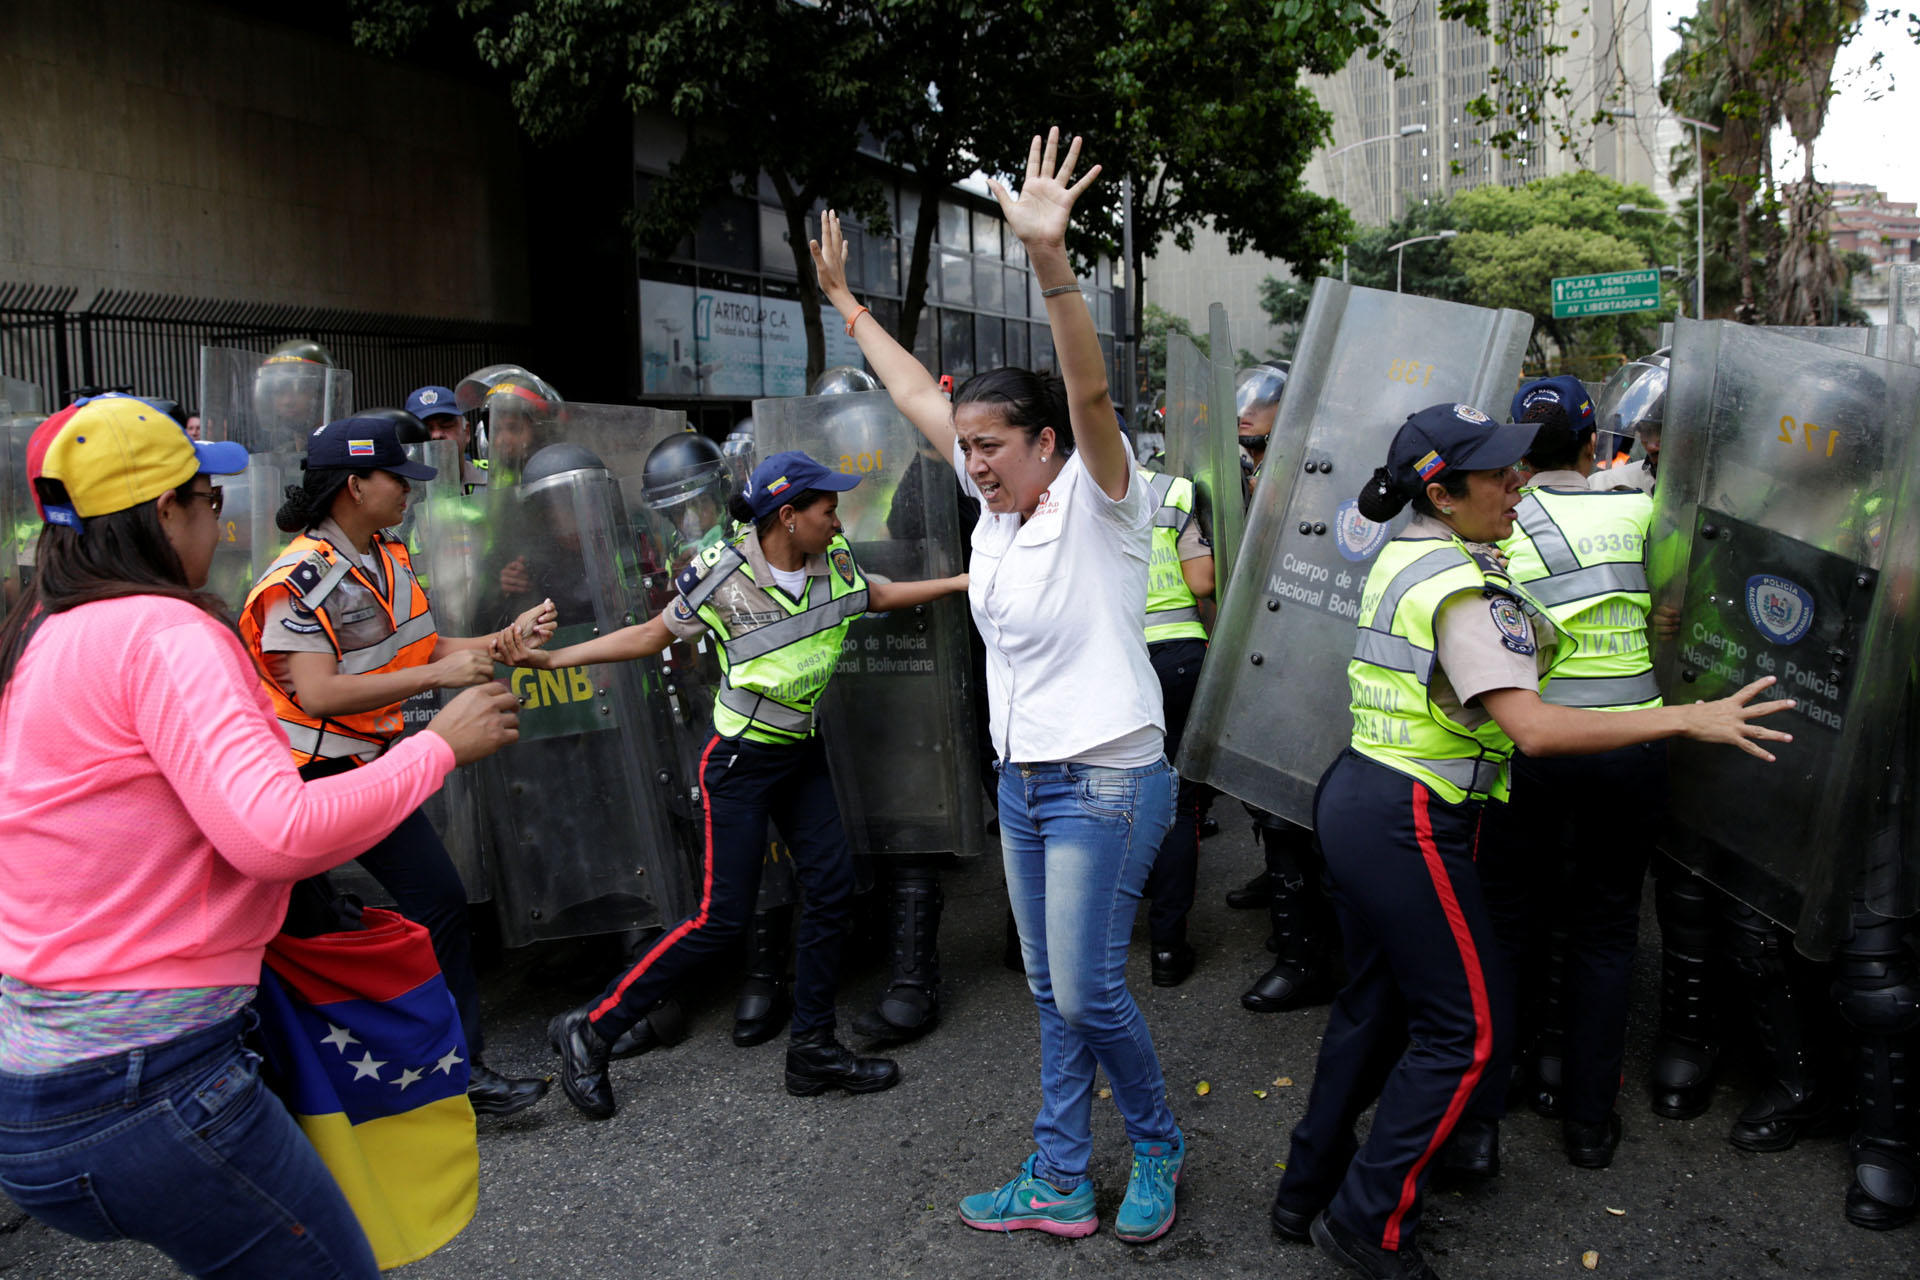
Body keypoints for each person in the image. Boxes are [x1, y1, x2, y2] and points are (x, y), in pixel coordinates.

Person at [1269, 401, 1795, 1280]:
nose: (1517, 484)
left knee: (1378, 1005)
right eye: (1497, 474)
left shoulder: (1416, 550)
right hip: (1412, 817)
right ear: (1443, 492)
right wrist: (1688, 718)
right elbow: (1538, 731)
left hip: (1364, 795)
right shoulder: (1462, 590)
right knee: (1468, 1031)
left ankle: (1305, 1192)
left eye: (1516, 467)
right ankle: (1368, 1222)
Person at [0, 394, 519, 1278]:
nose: (219, 517)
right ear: (165, 511)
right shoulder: (166, 630)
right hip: (155, 1082)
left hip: (36, 1088)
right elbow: (275, 834)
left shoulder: (40, 634)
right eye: (208, 498)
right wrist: (437, 747)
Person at [814, 128, 1185, 1245]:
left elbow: (1091, 389)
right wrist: (848, 306)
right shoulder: (993, 508)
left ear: (1046, 443)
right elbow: (915, 393)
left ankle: (1158, 1142)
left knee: (1087, 990)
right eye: (966, 445)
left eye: (992, 445)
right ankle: (1060, 1175)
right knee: (1050, 989)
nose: (972, 461)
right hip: (1023, 783)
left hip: (1108, 779)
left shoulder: (1103, 498)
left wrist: (1047, 257)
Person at [526, 449, 968, 1118]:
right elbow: (648, 637)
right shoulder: (721, 576)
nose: (837, 520)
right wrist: (554, 658)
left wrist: (962, 582)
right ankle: (592, 1028)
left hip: (801, 751)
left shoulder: (833, 559)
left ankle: (812, 1049)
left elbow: (874, 595)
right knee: (719, 918)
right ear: (787, 517)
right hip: (740, 760)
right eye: (827, 510)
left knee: (832, 891)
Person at [237, 408, 556, 1118]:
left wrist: (502, 640)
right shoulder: (297, 580)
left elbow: (424, 647)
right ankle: (297, 1090)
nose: (409, 489)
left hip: (367, 764)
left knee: (439, 899)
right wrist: (437, 680)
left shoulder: (386, 553)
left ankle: (458, 1071)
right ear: (355, 486)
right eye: (396, 477)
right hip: (302, 777)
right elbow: (318, 693)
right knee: (299, 933)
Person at [1445, 377, 1664, 1180]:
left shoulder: (1496, 523)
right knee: (1606, 929)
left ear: (1515, 454)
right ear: (1592, 446)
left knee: (1508, 920)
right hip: (1629, 745)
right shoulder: (1642, 514)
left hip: (1527, 746)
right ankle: (1588, 1120)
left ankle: (1490, 1097)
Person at [1136, 455, 1214, 986]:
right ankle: (1167, 949)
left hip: (1107, 661)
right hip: (1176, 656)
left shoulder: (1059, 493)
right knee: (1177, 803)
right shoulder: (1172, 490)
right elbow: (1202, 581)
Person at [407, 384, 487, 492]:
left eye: (446, 424)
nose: (436, 435)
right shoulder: (402, 491)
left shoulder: (497, 478)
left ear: (467, 433)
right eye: (425, 428)